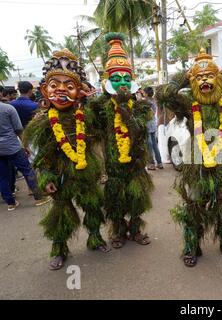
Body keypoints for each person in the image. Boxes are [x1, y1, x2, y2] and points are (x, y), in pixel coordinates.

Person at [155, 48, 222, 267]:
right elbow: (164, 95)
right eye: (199, 78)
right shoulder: (188, 105)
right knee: (194, 206)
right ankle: (192, 246)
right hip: (196, 162)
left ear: (219, 80)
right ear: (193, 82)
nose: (205, 81)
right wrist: (183, 78)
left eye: (210, 76)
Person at [23, 49, 110, 270]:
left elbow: (99, 135)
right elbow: (39, 155)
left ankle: (95, 238)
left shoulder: (86, 117)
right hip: (59, 175)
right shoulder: (42, 122)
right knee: (61, 215)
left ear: (79, 91)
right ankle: (59, 249)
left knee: (92, 207)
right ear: (45, 90)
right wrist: (46, 177)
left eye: (69, 86)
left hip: (84, 171)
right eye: (55, 85)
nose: (61, 90)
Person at [87, 33, 153, 249]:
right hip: (113, 168)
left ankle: (135, 230)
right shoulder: (100, 107)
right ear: (107, 81)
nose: (122, 82)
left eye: (126, 77)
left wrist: (126, 113)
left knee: (136, 201)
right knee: (115, 204)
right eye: (116, 78)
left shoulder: (141, 107)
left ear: (133, 81)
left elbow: (141, 130)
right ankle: (118, 232)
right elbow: (89, 128)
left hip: (135, 165)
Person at [0, 100, 50, 210]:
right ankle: (39, 198)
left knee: (2, 176)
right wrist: (25, 145)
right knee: (27, 170)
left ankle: (10, 203)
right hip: (12, 146)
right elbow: (18, 129)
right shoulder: (8, 108)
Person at [143, 86, 163, 170]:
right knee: (154, 144)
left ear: (146, 94)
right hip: (153, 124)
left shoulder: (145, 102)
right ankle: (159, 163)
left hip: (147, 125)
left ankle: (151, 164)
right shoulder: (154, 101)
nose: (143, 93)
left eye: (144, 92)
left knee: (149, 145)